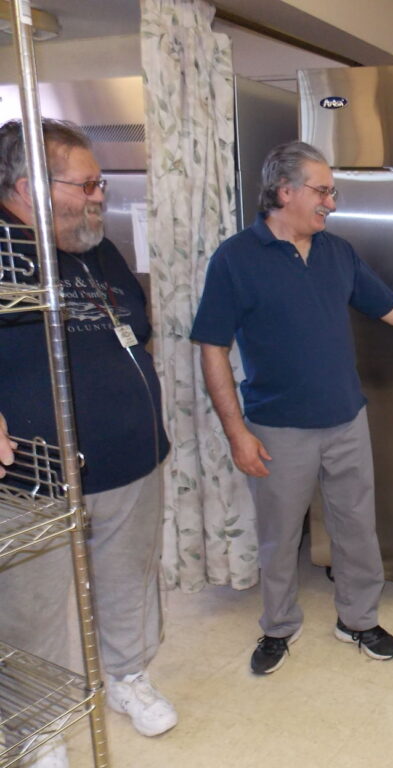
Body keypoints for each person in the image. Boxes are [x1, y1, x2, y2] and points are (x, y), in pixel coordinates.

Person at [191, 140, 393, 676]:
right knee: (279, 536)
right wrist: (237, 431)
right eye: (323, 190)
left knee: (356, 526)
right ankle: (278, 626)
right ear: (285, 192)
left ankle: (357, 619)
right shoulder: (236, 258)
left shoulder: (338, 252)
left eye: (333, 191)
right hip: (277, 426)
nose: (331, 202)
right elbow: (211, 346)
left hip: (346, 418)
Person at [0, 119, 178, 753]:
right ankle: (36, 725)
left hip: (131, 460)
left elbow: (137, 324)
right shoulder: (1, 251)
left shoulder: (94, 245)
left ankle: (127, 676)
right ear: (30, 187)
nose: (101, 195)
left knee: (127, 582)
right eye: (88, 183)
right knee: (34, 609)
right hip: (35, 478)